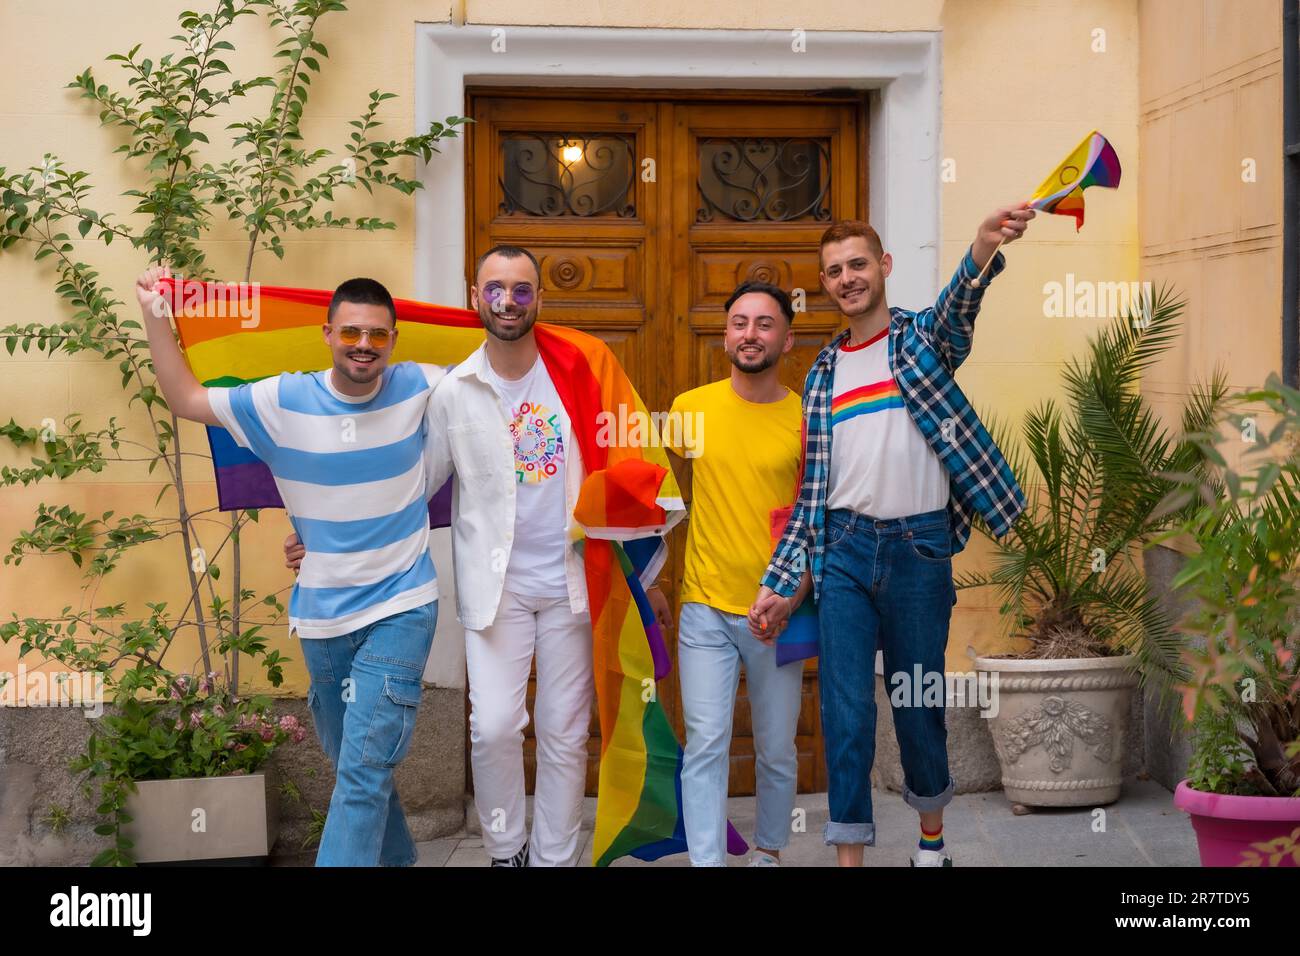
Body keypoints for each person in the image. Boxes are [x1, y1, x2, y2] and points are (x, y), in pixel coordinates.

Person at [285, 245, 671, 867]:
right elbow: (409, 483)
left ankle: (553, 859)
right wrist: (328, 532)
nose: (509, 301)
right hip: (498, 592)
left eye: (522, 290)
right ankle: (505, 851)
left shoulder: (580, 372)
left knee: (566, 734)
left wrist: (644, 573)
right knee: (492, 728)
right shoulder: (454, 391)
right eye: (496, 289)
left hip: (575, 582)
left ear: (539, 299)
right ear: (475, 298)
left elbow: (628, 470)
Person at [752, 205, 1035, 867]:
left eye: (856, 264)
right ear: (824, 286)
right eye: (833, 272)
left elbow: (958, 308)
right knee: (846, 714)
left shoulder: (920, 341)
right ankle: (849, 856)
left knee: (917, 704)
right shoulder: (822, 375)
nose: (846, 278)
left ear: (882, 267)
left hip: (919, 550)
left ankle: (931, 847)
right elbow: (811, 498)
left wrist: (982, 247)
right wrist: (780, 584)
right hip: (843, 551)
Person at [136, 267, 444, 867]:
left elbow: (500, 381)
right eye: (351, 331)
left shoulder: (426, 387)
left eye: (378, 335)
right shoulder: (280, 400)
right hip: (322, 621)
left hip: (402, 606)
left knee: (360, 775)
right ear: (327, 332)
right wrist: (153, 310)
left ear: (395, 339)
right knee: (360, 768)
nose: (364, 344)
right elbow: (185, 398)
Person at [664, 280, 810, 867]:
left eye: (764, 323)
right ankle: (707, 861)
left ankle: (769, 852)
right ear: (726, 335)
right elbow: (646, 491)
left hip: (779, 610)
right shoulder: (688, 410)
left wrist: (794, 594)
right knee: (705, 744)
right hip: (703, 606)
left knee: (776, 748)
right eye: (740, 323)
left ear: (787, 337)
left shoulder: (806, 417)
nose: (750, 334)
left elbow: (819, 517)